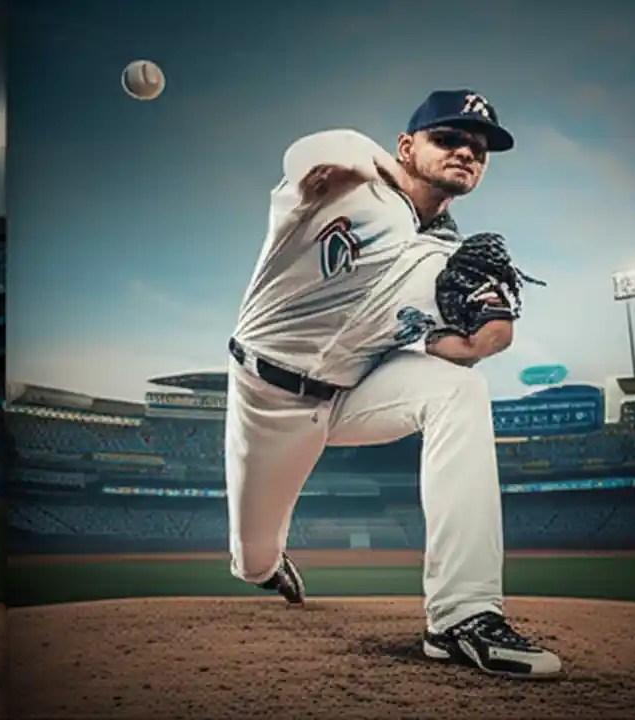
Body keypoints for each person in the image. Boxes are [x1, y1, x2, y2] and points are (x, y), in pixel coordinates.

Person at [224, 89, 562, 679]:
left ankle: (463, 617)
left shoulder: (449, 259)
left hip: (354, 393)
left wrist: (488, 336)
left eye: (478, 149)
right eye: (449, 138)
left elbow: (456, 345)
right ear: (406, 145)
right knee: (252, 556)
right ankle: (266, 566)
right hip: (267, 397)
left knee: (459, 391)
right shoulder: (345, 177)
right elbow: (311, 151)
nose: (466, 152)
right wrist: (371, 160)